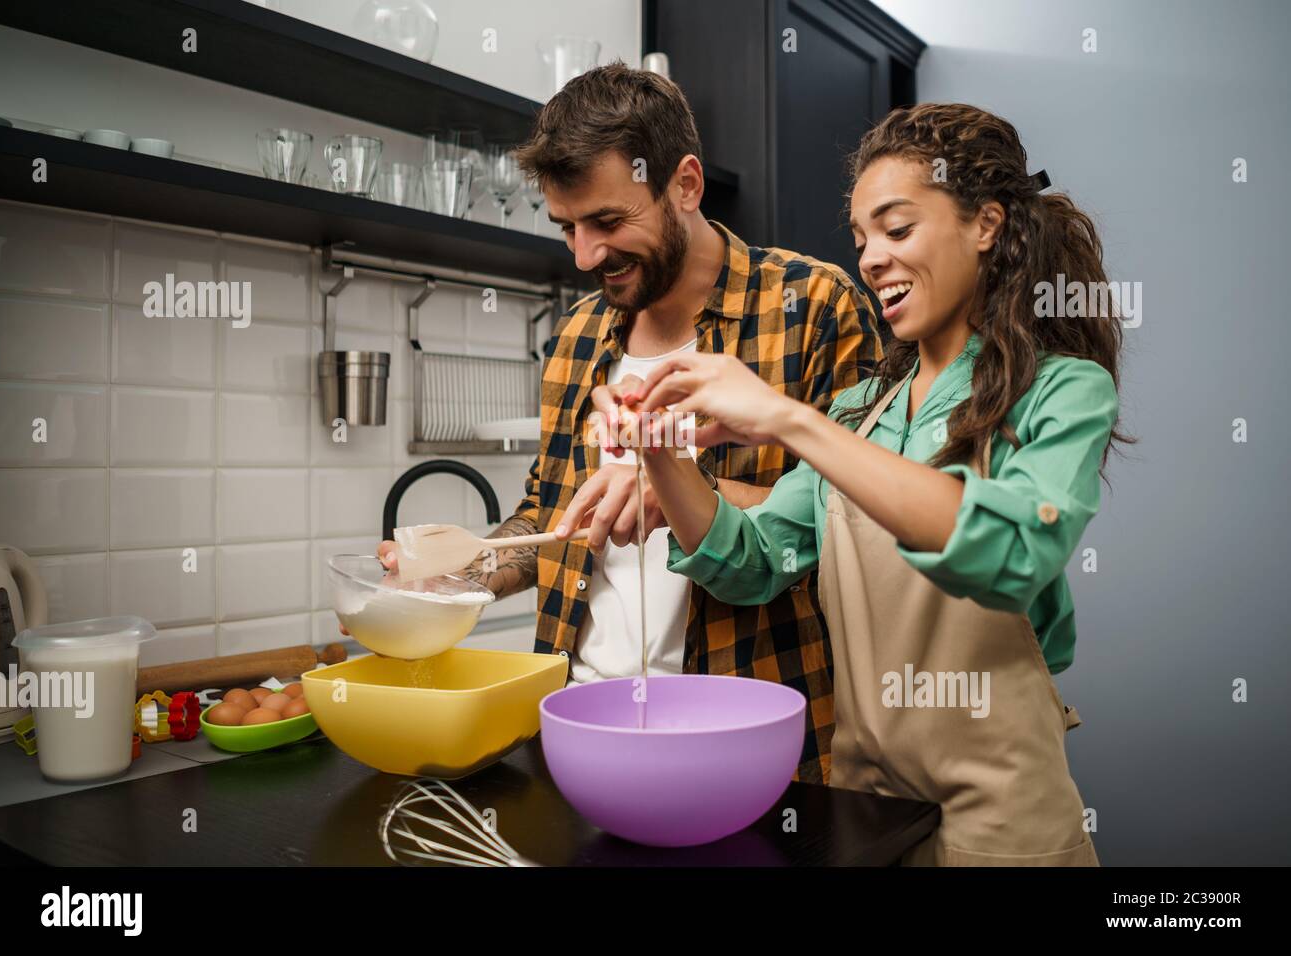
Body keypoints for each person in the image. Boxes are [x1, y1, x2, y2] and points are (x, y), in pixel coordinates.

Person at [611, 103, 1129, 865]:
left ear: (985, 224)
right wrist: (661, 449)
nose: (872, 259)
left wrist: (790, 421)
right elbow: (751, 562)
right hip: (865, 816)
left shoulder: (1064, 391)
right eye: (861, 241)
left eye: (896, 229)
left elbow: (1012, 549)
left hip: (1005, 823)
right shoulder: (860, 412)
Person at [377, 64, 882, 784]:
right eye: (568, 229)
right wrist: (461, 574)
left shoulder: (816, 306)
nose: (585, 255)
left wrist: (675, 490)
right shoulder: (579, 332)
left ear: (684, 184)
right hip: (581, 733)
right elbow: (549, 515)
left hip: (750, 741)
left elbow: (860, 530)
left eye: (609, 222)